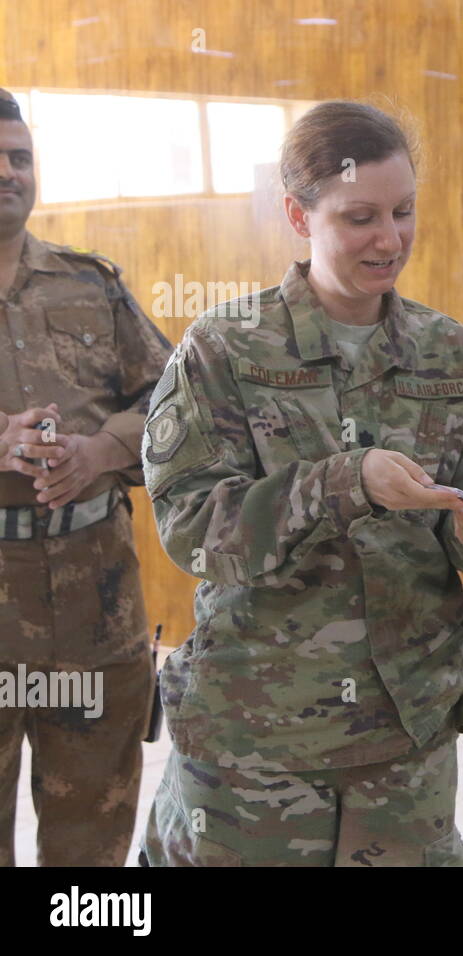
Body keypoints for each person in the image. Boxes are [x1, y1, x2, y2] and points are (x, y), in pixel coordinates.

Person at [141, 101, 463, 866]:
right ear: (298, 213)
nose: (389, 239)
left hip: (408, 738)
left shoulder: (451, 355)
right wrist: (343, 482)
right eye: (360, 217)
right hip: (256, 744)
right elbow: (194, 532)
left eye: (403, 211)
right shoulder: (221, 351)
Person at [0, 88, 173, 866]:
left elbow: (181, 406)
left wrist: (100, 451)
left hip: (95, 605)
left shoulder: (90, 285)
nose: (9, 172)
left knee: (92, 841)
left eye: (20, 158)